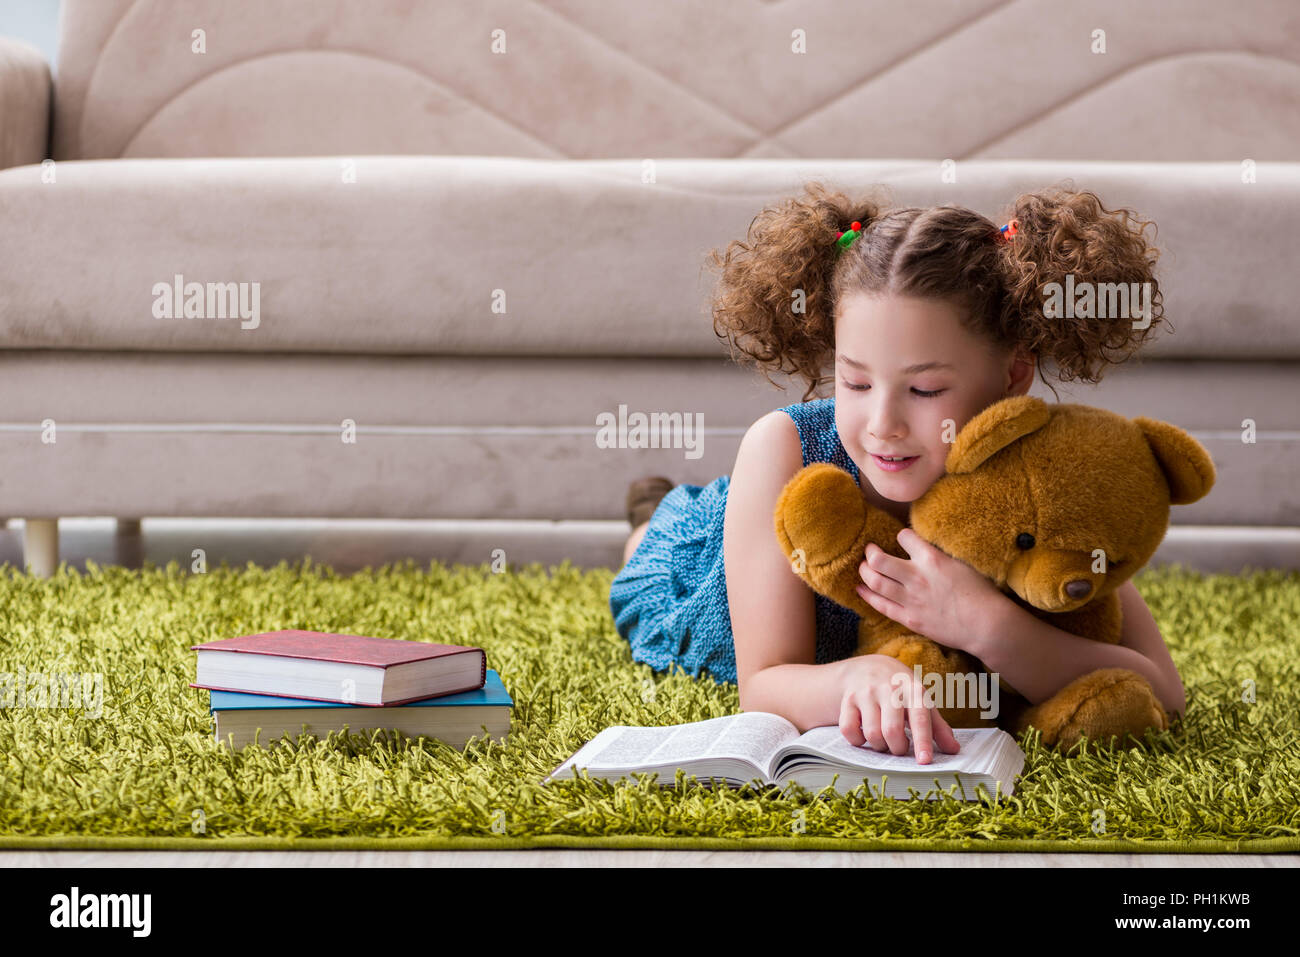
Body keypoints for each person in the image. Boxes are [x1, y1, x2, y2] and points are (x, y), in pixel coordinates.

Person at [610, 181, 1182, 765]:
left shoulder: (1038, 466)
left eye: (925, 389)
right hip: (700, 563)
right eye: (855, 383)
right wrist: (863, 676)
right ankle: (650, 514)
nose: (882, 423)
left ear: (1013, 378)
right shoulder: (780, 447)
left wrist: (985, 625)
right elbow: (764, 683)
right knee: (657, 547)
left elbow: (1165, 690)